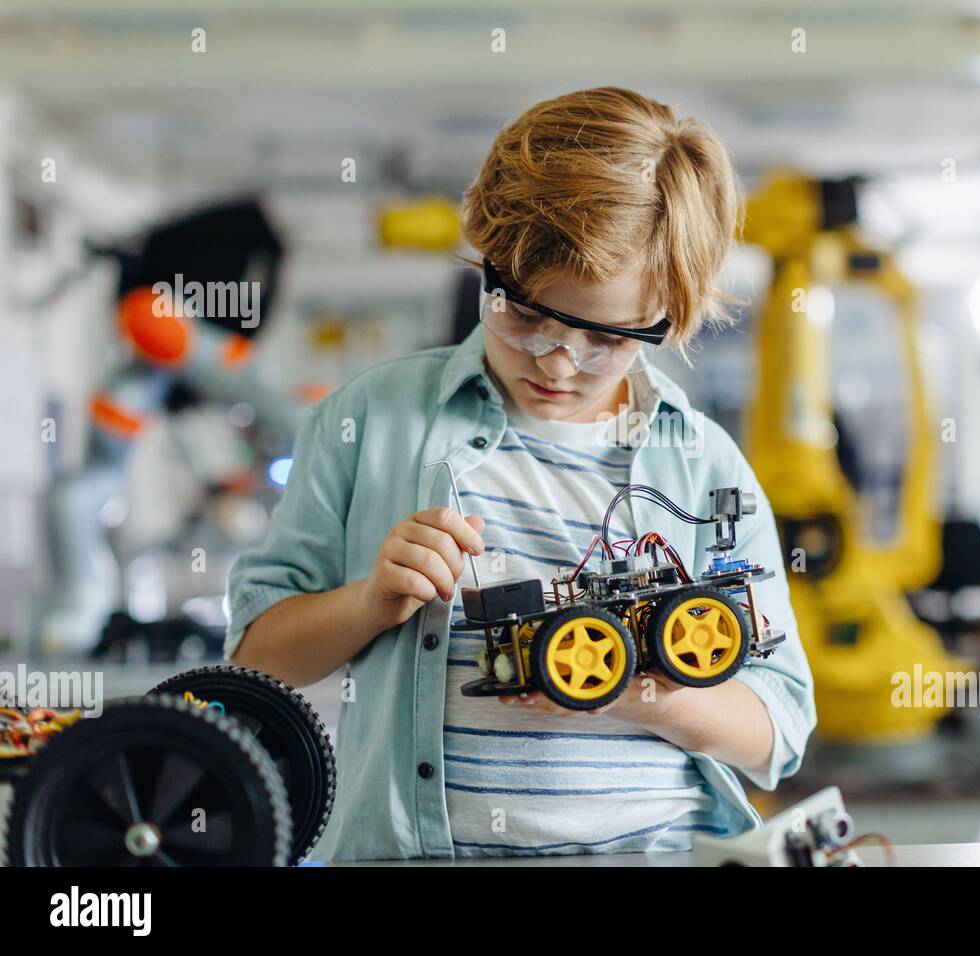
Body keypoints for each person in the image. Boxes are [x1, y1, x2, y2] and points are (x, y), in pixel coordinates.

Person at [226, 86, 815, 860]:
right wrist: (369, 602)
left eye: (602, 336)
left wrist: (637, 693)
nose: (557, 359)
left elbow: (778, 731)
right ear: (483, 253)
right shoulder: (370, 419)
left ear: (667, 317)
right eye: (524, 312)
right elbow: (255, 662)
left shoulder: (705, 467)